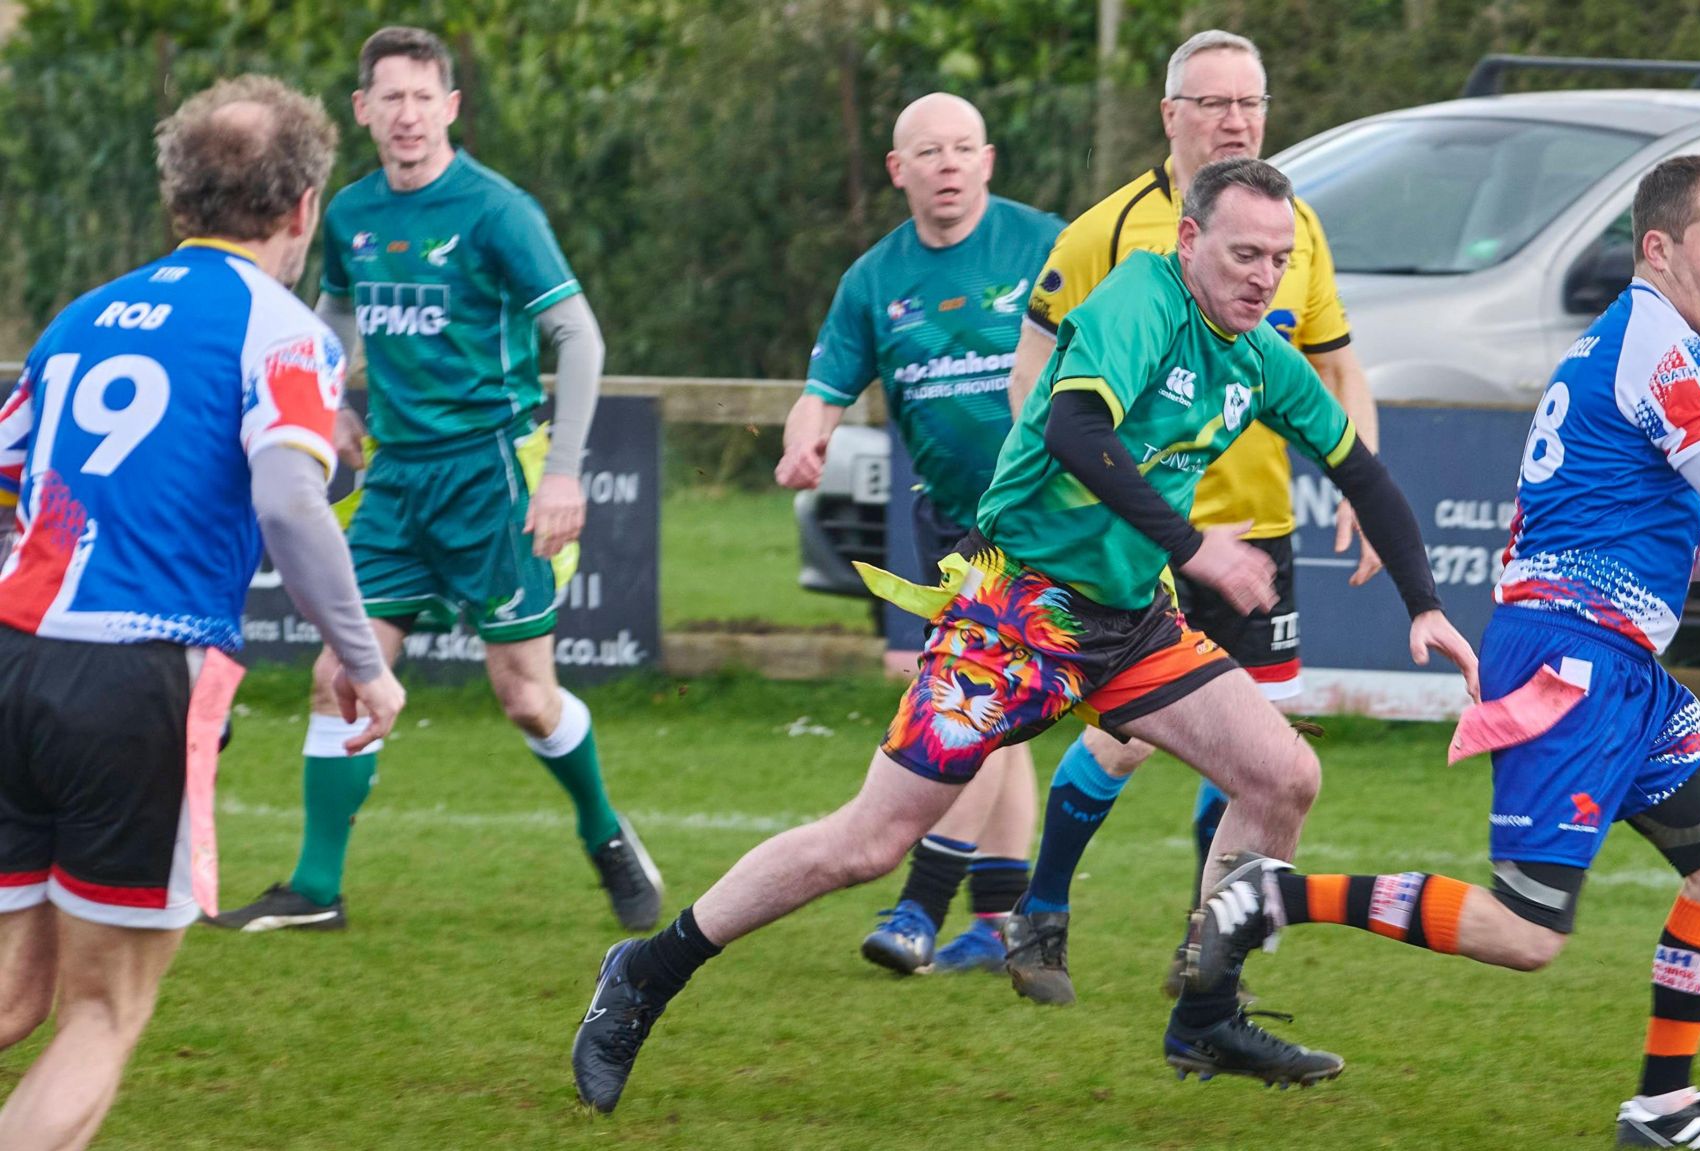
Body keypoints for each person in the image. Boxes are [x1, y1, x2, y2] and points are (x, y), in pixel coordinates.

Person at [569, 157, 1477, 1113]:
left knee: (1283, 775)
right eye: (1245, 252)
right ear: (1189, 242)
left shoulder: (1257, 356)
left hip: (1128, 622)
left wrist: (1423, 604)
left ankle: (1208, 1008)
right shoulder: (1140, 301)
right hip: (1015, 611)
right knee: (868, 843)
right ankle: (645, 970)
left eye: (1280, 258)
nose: (1264, 275)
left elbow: (1361, 472)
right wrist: (1194, 544)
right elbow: (1074, 430)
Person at [1182, 155, 1700, 1145]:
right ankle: (1272, 892)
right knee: (1528, 931)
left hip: (1611, 660)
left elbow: (1607, 523)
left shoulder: (1630, 343)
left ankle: (1662, 1104)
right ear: (1658, 248)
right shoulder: (1658, 347)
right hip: (1572, 665)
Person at [0, 75, 406, 1149]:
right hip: (140, 673)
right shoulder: (281, 332)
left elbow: (4, 489)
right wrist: (364, 656)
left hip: (15, 657)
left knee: (15, 994)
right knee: (103, 1007)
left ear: (177, 199)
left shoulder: (77, 320)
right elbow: (287, 493)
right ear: (305, 208)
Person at [207, 26, 662, 935]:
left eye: (425, 98)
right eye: (392, 98)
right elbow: (335, 313)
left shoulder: (498, 212)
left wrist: (563, 472)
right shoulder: (351, 213)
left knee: (524, 694)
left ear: (450, 108)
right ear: (363, 110)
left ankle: (605, 832)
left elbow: (580, 336)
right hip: (398, 481)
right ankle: (315, 887)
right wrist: (329, 396)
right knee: (341, 667)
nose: (408, 115)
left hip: (491, 474)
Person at [995, 29, 1382, 1006]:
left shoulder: (1291, 226)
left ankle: (1202, 946)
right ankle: (1039, 909)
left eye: (1248, 104)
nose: (1234, 121)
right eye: (1212, 103)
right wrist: (1086, 501)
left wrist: (1364, 490)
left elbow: (1334, 365)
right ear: (1169, 116)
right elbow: (1035, 382)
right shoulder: (1106, 233)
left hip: (1255, 541)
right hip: (1146, 549)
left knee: (1257, 749)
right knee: (1119, 740)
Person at [778, 93, 1065, 977]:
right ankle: (998, 922)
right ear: (899, 170)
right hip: (948, 522)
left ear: (987, 161)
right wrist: (804, 433)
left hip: (1045, 514)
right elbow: (825, 382)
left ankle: (919, 906)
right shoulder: (874, 279)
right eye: (929, 151)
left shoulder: (1048, 244)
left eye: (964, 148)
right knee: (997, 714)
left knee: (973, 702)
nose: (948, 163)